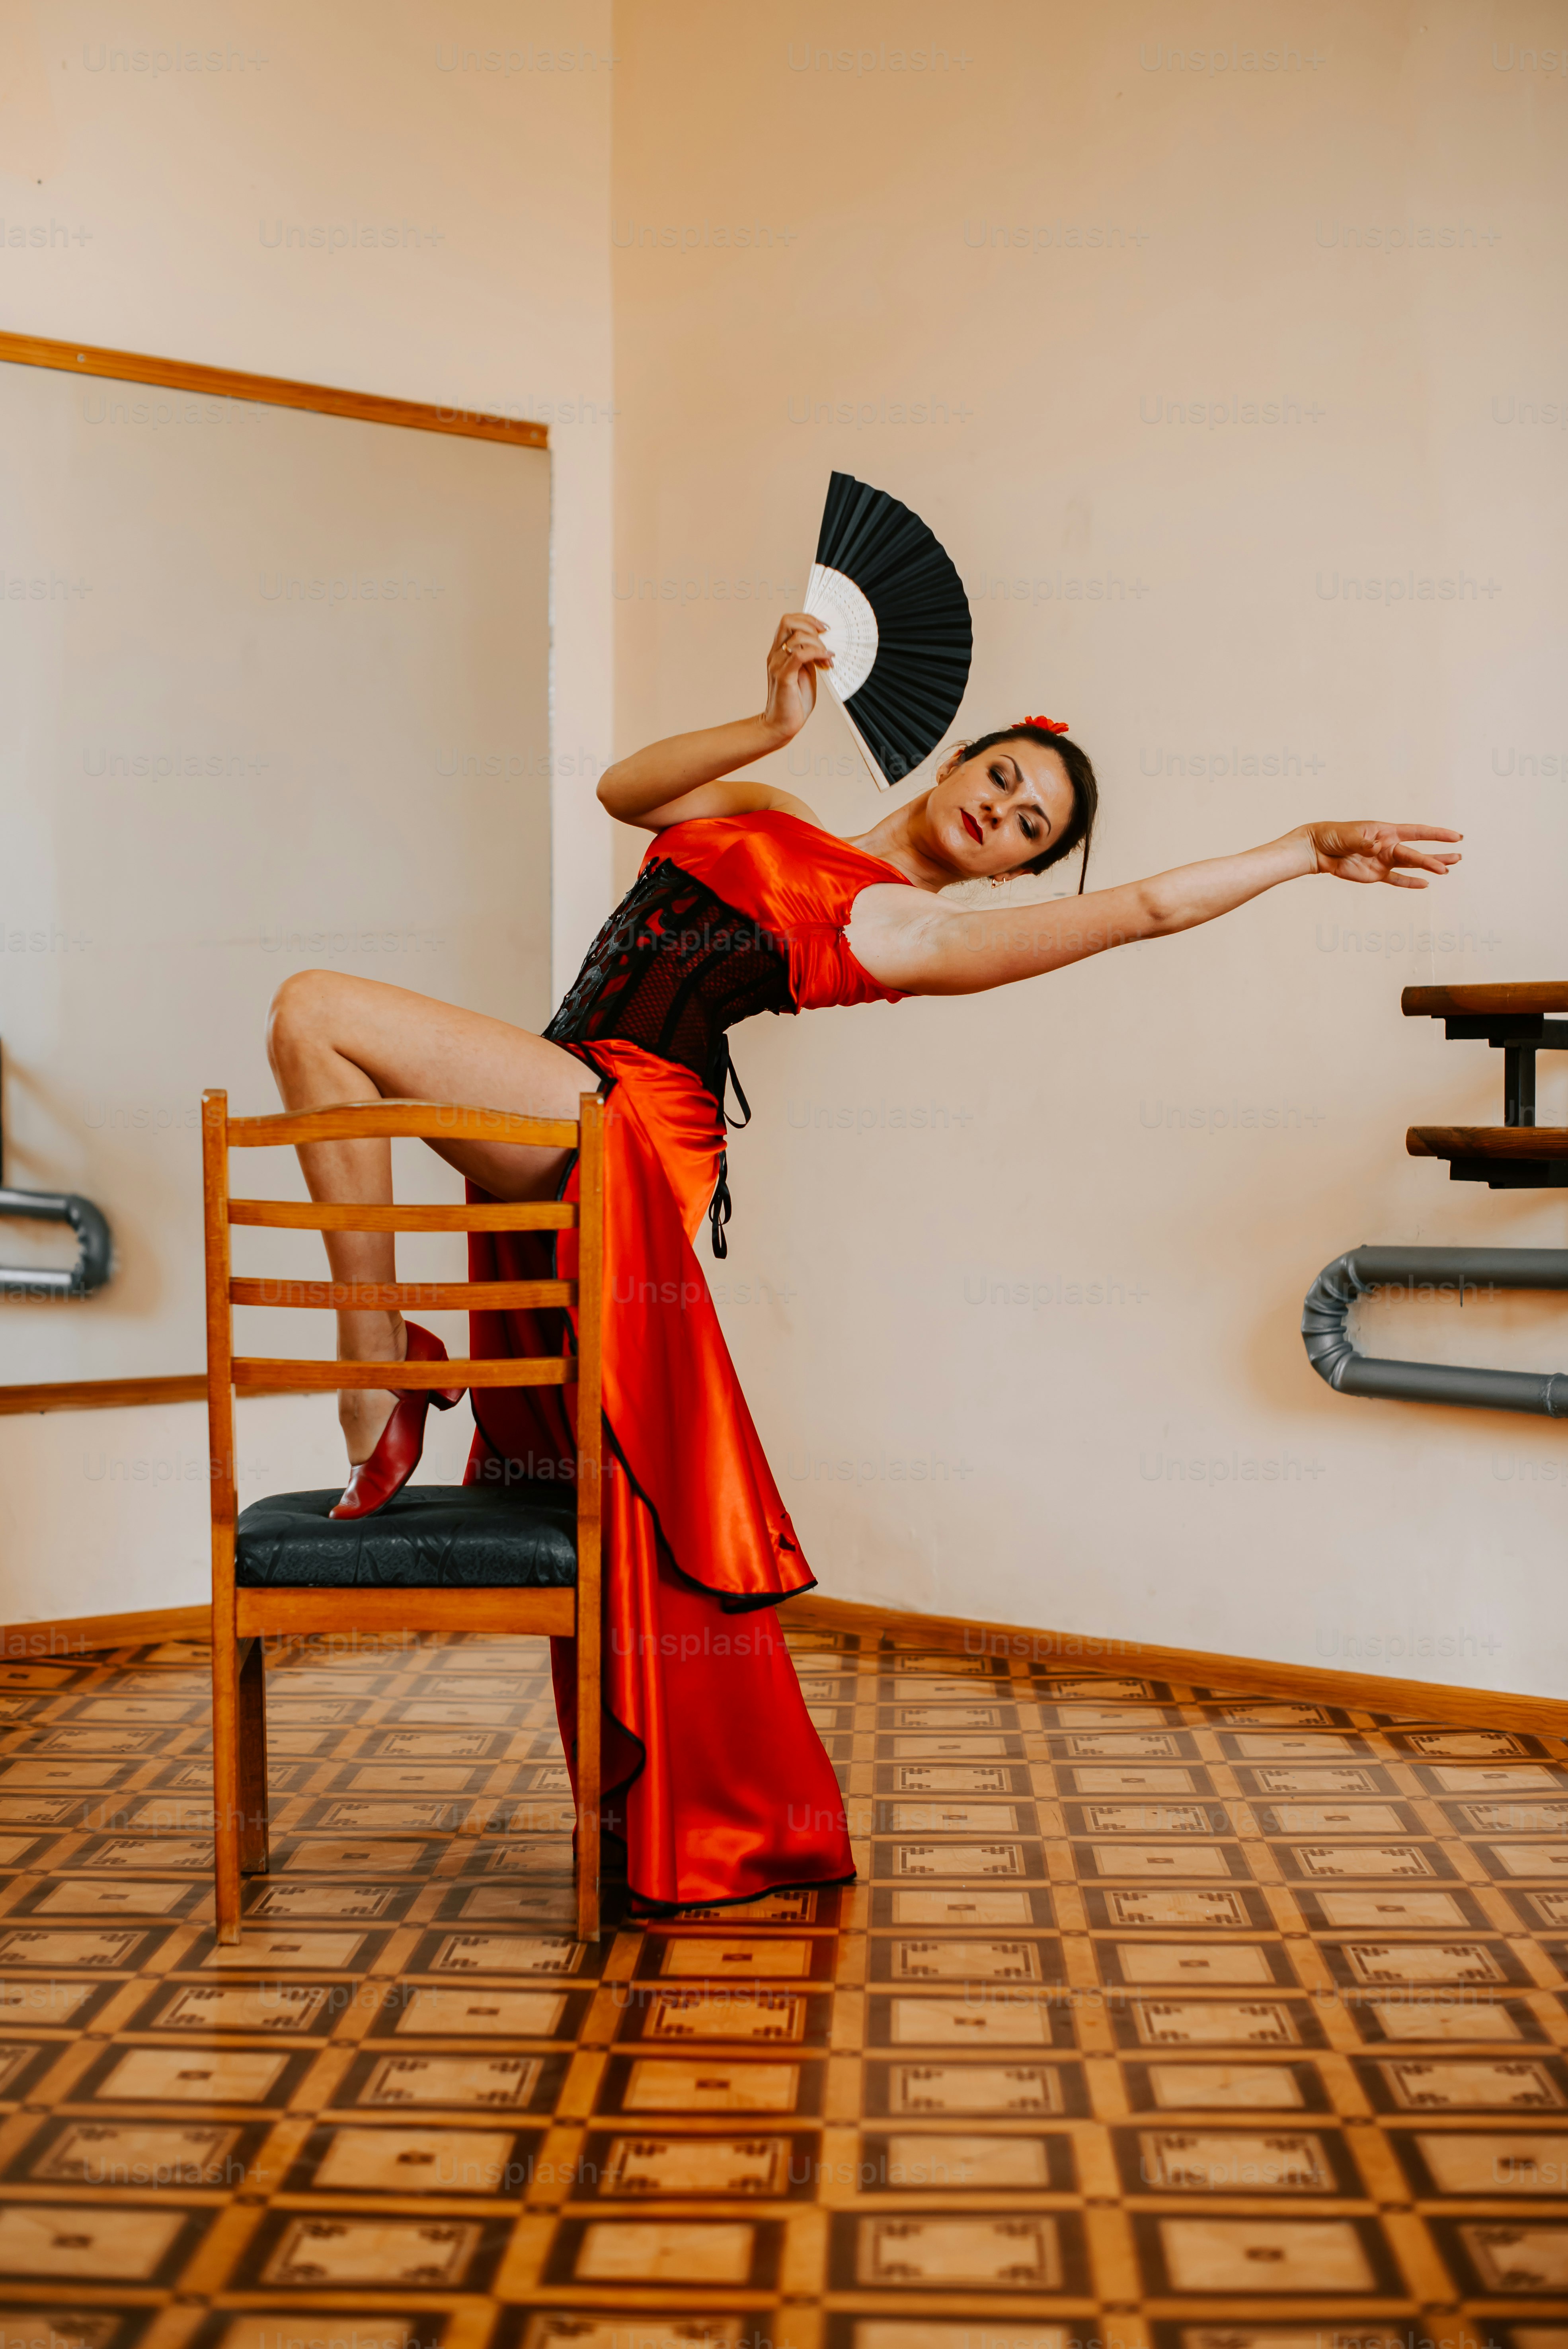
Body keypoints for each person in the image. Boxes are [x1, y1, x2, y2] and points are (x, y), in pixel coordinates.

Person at [265, 611, 1461, 1910]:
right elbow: (627, 791)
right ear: (953, 761)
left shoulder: (904, 931)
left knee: (320, 1009)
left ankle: (377, 1374)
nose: (1001, 814)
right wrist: (774, 720)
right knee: (317, 1032)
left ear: (1013, 875)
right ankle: (384, 1362)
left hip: (627, 1127)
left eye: (1029, 831)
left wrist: (1298, 850)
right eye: (1001, 779)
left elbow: (1151, 907)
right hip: (568, 1091)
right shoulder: (773, 803)